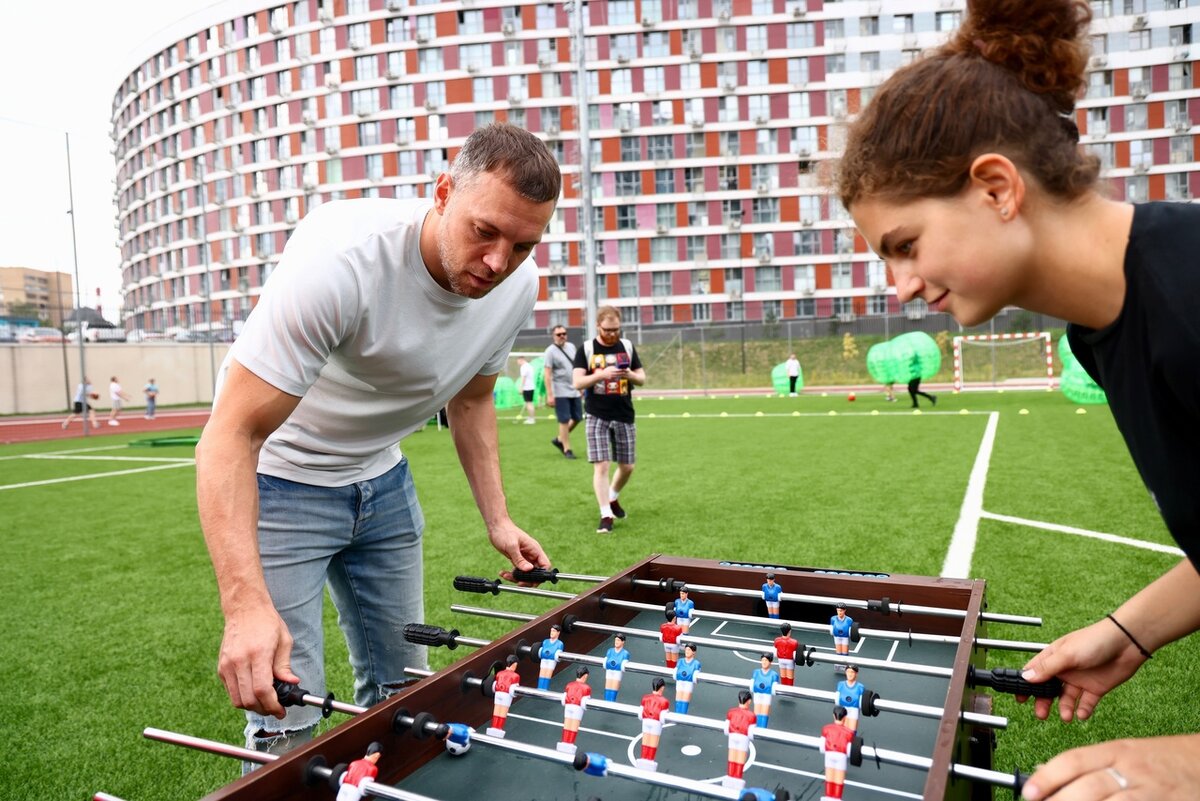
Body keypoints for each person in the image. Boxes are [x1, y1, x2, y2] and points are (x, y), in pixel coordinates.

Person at [836, 1, 1200, 796]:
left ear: (997, 188)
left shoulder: (1192, 287)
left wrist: (1190, 765)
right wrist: (1132, 631)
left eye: (905, 245)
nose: (898, 287)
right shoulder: (1099, 332)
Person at [194, 123, 560, 760]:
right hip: (282, 481)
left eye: (523, 245)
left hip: (384, 483)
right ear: (443, 193)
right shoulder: (342, 260)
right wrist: (244, 606)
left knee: (408, 693)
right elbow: (231, 434)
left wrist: (497, 519)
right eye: (485, 232)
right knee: (288, 707)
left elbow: (472, 398)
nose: (499, 262)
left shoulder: (516, 287)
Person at [572, 305, 645, 534]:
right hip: (596, 414)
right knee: (602, 465)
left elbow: (642, 378)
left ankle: (612, 496)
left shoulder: (627, 347)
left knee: (627, 466)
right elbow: (577, 383)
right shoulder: (586, 349)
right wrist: (601, 375)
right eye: (608, 329)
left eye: (616, 329)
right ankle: (606, 515)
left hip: (624, 413)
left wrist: (630, 375)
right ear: (598, 326)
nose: (612, 334)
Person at [543, 325, 582, 459]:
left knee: (578, 417)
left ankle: (560, 439)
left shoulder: (571, 346)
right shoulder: (550, 351)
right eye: (558, 334)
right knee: (564, 420)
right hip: (560, 391)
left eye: (564, 333)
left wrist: (581, 386)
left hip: (574, 389)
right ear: (553, 336)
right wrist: (550, 394)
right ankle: (567, 449)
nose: (562, 336)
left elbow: (577, 367)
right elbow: (547, 374)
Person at [723, 690, 758, 790]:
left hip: (732, 736)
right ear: (749, 701)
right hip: (743, 737)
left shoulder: (731, 712)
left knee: (732, 757)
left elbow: (726, 728)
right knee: (740, 759)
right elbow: (751, 732)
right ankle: (737, 780)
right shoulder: (751, 716)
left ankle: (729, 778)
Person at [819, 706, 853, 801]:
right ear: (845, 718)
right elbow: (850, 748)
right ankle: (837, 798)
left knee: (829, 776)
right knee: (839, 778)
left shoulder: (826, 728)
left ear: (834, 716)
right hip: (841, 755)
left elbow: (822, 745)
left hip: (829, 753)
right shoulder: (849, 732)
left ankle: (828, 796)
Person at [636, 677, 671, 771]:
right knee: (653, 742)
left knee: (645, 740)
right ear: (662, 688)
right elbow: (663, 717)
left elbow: (640, 713)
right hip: (656, 722)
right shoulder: (664, 701)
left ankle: (643, 758)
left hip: (646, 721)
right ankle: (650, 761)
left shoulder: (645, 698)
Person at [558, 665, 591, 755]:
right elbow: (586, 700)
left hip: (568, 706)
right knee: (574, 726)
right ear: (585, 676)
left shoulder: (569, 685)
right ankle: (569, 744)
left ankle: (564, 742)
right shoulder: (586, 688)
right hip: (577, 708)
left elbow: (565, 695)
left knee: (567, 724)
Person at [488, 655, 522, 738]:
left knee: (496, 710)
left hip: (498, 693)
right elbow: (515, 688)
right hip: (506, 694)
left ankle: (494, 726)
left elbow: (496, 682)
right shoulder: (516, 676)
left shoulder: (499, 673)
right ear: (514, 664)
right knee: (503, 711)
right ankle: (499, 728)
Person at [750, 653, 780, 728]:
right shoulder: (756, 672)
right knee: (756, 711)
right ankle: (755, 727)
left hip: (766, 695)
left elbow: (774, 687)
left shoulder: (774, 674)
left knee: (764, 712)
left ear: (770, 662)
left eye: (766, 660)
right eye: (762, 660)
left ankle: (762, 729)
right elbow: (752, 682)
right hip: (757, 694)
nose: (764, 662)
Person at [836, 665, 865, 733]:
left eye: (852, 672)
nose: (850, 674)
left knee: (852, 730)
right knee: (841, 728)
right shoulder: (841, 684)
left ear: (856, 674)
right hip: (842, 709)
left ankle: (851, 742)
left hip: (853, 709)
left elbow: (862, 701)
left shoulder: (860, 687)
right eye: (848, 672)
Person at [673, 642, 701, 713]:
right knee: (678, 699)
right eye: (686, 650)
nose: (687, 651)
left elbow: (697, 675)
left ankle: (683, 716)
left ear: (693, 652)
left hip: (688, 683)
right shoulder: (680, 661)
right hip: (680, 682)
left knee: (685, 699)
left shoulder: (696, 663)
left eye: (689, 650)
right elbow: (676, 670)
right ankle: (677, 715)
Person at [603, 633, 630, 701]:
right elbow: (606, 660)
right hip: (609, 671)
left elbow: (623, 664)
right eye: (615, 640)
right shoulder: (610, 651)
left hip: (617, 672)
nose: (616, 642)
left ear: (623, 642)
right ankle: (606, 702)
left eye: (618, 640)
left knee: (613, 689)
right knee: (607, 688)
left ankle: (611, 702)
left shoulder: (625, 653)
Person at [537, 623, 564, 690]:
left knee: (548, 673)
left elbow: (558, 653)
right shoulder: (545, 641)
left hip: (551, 660)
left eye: (554, 631)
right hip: (544, 659)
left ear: (558, 633)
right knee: (542, 673)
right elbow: (543, 650)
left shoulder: (559, 643)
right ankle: (539, 688)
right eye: (551, 631)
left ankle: (544, 689)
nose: (551, 633)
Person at [774, 622, 799, 687]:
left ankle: (783, 688)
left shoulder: (777, 640)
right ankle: (789, 689)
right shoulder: (794, 642)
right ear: (790, 631)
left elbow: (776, 647)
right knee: (790, 675)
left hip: (780, 659)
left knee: (783, 674)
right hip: (789, 660)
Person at [517, 355, 536, 424]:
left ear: (521, 360)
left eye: (518, 361)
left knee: (529, 403)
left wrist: (521, 387)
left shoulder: (524, 367)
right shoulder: (529, 366)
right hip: (531, 387)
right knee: (530, 403)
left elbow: (523, 378)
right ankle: (531, 417)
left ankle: (531, 419)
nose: (518, 363)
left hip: (527, 387)